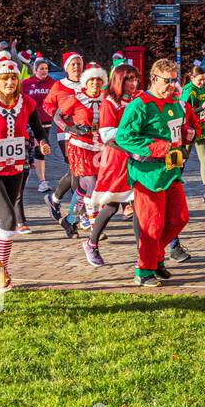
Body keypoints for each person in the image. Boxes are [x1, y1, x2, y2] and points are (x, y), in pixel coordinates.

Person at [114, 58, 201, 286]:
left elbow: (177, 131)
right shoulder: (140, 104)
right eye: (167, 81)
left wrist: (187, 133)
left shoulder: (174, 103)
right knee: (152, 224)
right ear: (153, 79)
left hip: (171, 169)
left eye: (175, 80)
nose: (172, 85)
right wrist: (157, 147)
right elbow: (123, 137)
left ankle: (155, 257)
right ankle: (143, 271)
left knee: (180, 218)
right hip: (147, 173)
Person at [0, 58, 50, 285]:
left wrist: (42, 142)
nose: (10, 82)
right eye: (5, 78)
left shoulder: (26, 103)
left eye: (14, 78)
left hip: (15, 168)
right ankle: (1, 273)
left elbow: (38, 129)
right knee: (8, 218)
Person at [84, 63, 139, 266]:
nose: (133, 83)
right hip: (117, 159)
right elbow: (106, 135)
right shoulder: (109, 103)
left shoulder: (136, 99)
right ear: (119, 80)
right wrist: (132, 134)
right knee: (112, 206)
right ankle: (91, 243)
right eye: (129, 79)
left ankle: (143, 254)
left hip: (137, 158)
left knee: (138, 206)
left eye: (135, 79)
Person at [57, 64, 108, 238]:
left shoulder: (106, 99)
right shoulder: (76, 98)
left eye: (98, 79)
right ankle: (95, 226)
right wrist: (70, 129)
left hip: (98, 148)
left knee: (86, 187)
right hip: (79, 147)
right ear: (86, 82)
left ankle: (70, 220)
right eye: (92, 79)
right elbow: (58, 115)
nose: (95, 83)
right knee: (92, 183)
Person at [42, 51, 85, 227]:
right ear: (67, 67)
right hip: (66, 133)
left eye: (79, 64)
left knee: (77, 172)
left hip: (86, 135)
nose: (76, 67)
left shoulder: (88, 84)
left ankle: (55, 198)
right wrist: (59, 115)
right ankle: (80, 214)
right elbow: (47, 105)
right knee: (77, 171)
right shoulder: (59, 86)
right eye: (72, 64)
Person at [181, 62, 205, 201]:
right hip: (189, 129)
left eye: (203, 79)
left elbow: (203, 107)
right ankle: (173, 186)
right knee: (183, 158)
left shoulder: (203, 88)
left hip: (202, 127)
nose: (202, 82)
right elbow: (184, 113)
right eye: (199, 80)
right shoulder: (189, 91)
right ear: (191, 78)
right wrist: (202, 108)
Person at [21, 56, 55, 193]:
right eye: (41, 69)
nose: (44, 71)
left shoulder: (53, 83)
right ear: (35, 70)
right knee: (36, 150)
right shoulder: (26, 83)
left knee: (39, 151)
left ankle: (40, 180)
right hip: (30, 123)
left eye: (46, 69)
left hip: (46, 123)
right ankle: (39, 181)